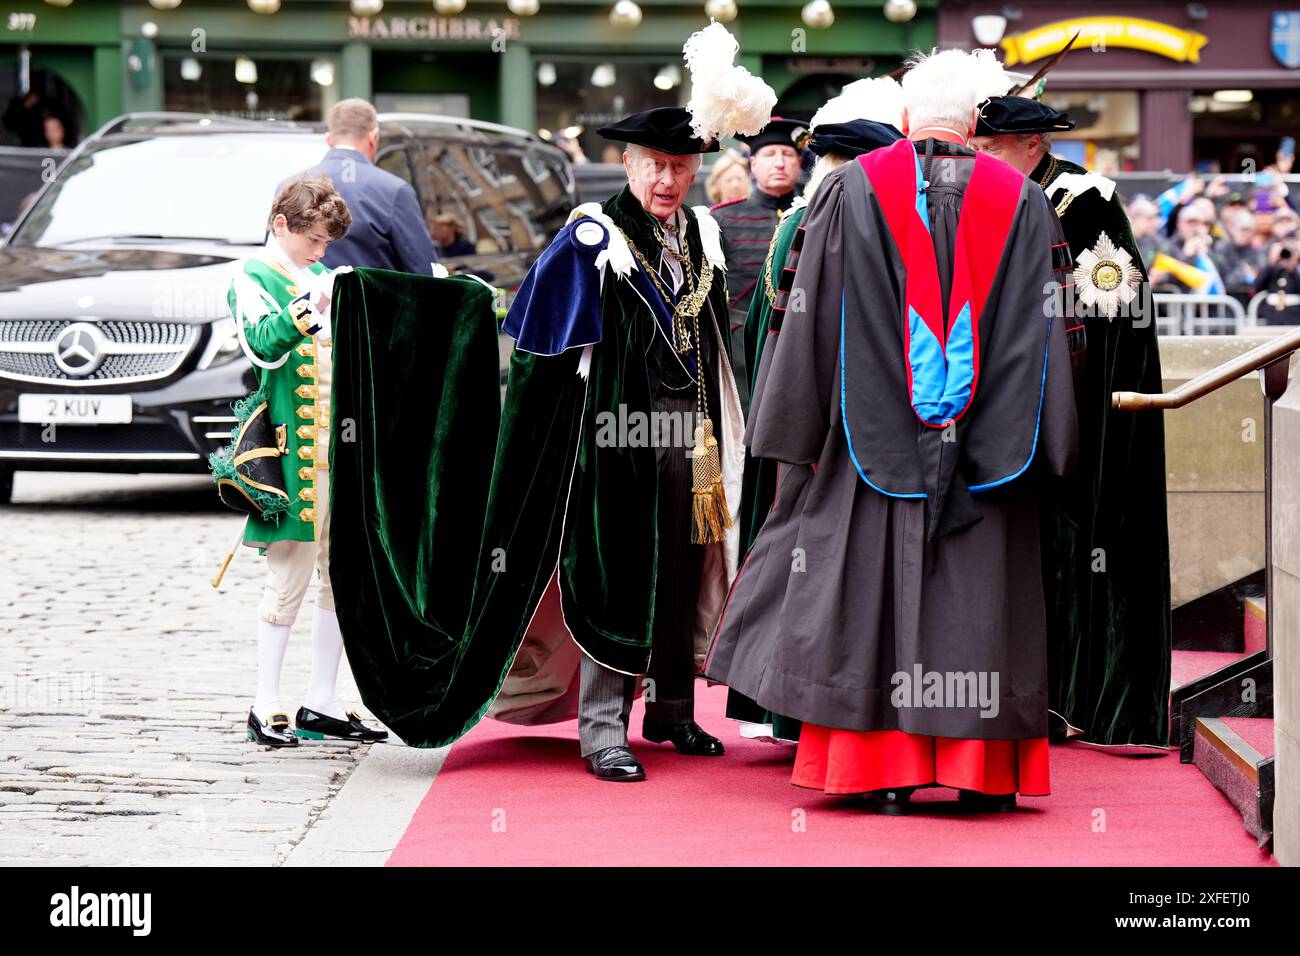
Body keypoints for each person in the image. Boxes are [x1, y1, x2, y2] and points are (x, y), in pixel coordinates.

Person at [706, 47, 1078, 814]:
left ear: (906, 120)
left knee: (868, 596)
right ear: (976, 124)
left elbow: (802, 324)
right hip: (991, 451)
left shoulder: (845, 192)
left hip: (863, 437)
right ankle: (981, 779)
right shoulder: (1027, 202)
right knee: (977, 602)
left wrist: (793, 431)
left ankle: (881, 772)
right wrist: (1053, 439)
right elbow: (1056, 336)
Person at [973, 94, 1173, 749]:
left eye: (991, 146)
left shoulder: (1083, 200)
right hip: (1009, 413)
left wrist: (1071, 401)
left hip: (1080, 411)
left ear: (1032, 144)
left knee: (1084, 556)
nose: (978, 158)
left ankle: (1088, 702)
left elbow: (1115, 311)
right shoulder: (995, 195)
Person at [726, 75, 905, 745]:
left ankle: (778, 708)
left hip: (794, 414)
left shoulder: (800, 218)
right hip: (834, 423)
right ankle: (799, 712)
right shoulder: (833, 218)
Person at [222, 175, 388, 748]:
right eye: (314, 240)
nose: (321, 253)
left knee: (336, 582)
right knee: (288, 579)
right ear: (280, 226)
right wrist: (304, 310)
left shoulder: (321, 276)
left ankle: (320, 701)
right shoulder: (252, 275)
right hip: (291, 458)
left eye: (327, 244)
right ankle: (264, 702)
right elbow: (259, 344)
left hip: (336, 454)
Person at [712, 116, 804, 412]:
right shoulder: (723, 218)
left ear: (799, 163)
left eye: (787, 154)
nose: (779, 163)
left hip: (801, 339)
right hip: (744, 349)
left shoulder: (817, 212)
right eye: (769, 154)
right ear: (753, 164)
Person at [298, 98, 439, 274]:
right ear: (374, 137)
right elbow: (423, 270)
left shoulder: (291, 186)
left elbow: (273, 264)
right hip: (373, 300)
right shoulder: (395, 190)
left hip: (304, 300)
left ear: (328, 140)